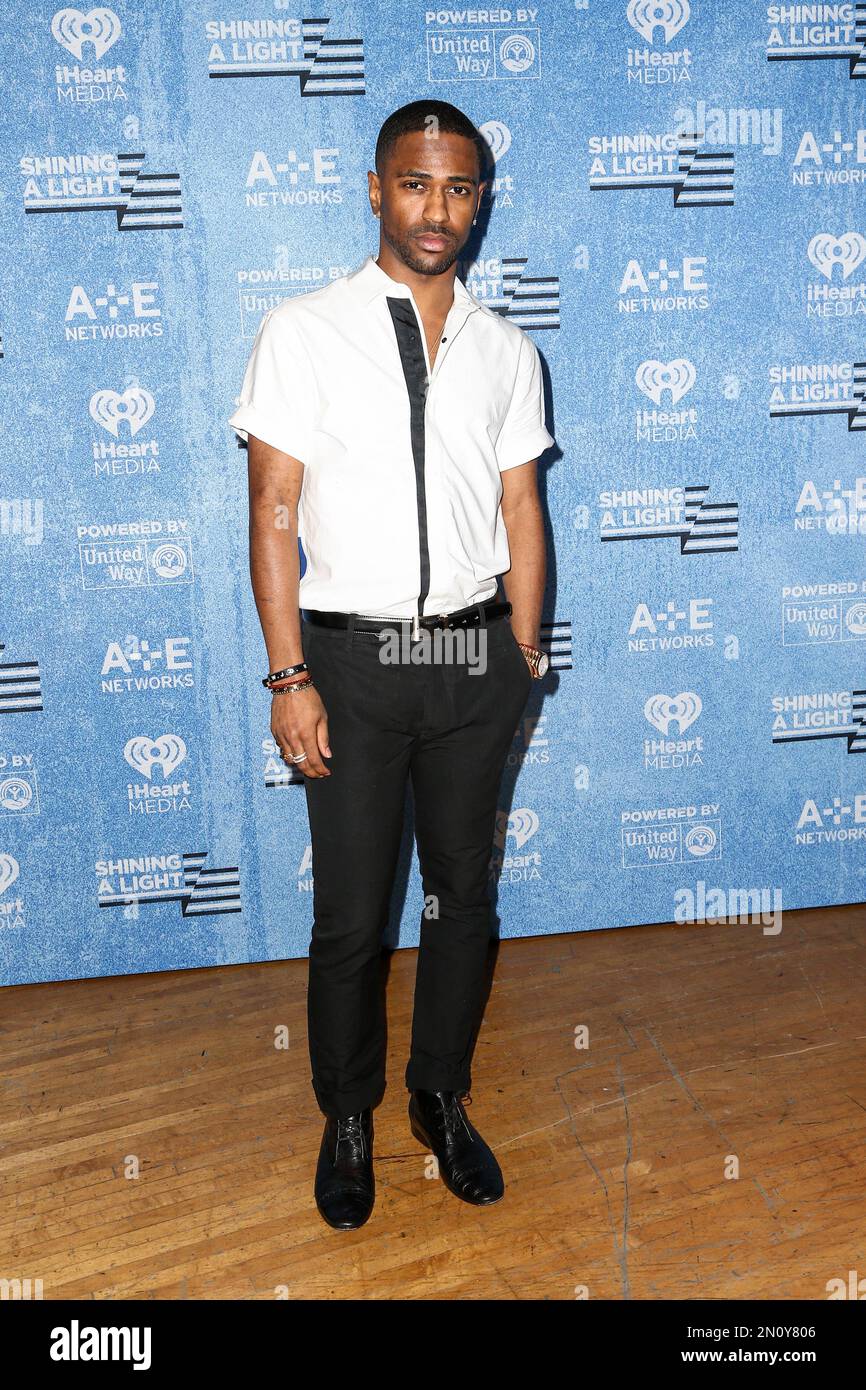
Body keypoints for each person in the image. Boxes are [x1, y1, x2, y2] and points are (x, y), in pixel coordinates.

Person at [229, 99, 555, 1230]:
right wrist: (288, 676)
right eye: (416, 183)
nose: (438, 208)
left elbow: (521, 502)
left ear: (480, 201)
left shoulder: (507, 347)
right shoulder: (301, 330)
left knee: (463, 896)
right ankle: (349, 1112)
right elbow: (273, 509)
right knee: (352, 915)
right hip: (351, 663)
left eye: (459, 188)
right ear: (375, 189)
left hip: (472, 659)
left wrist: (519, 647)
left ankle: (440, 1096)